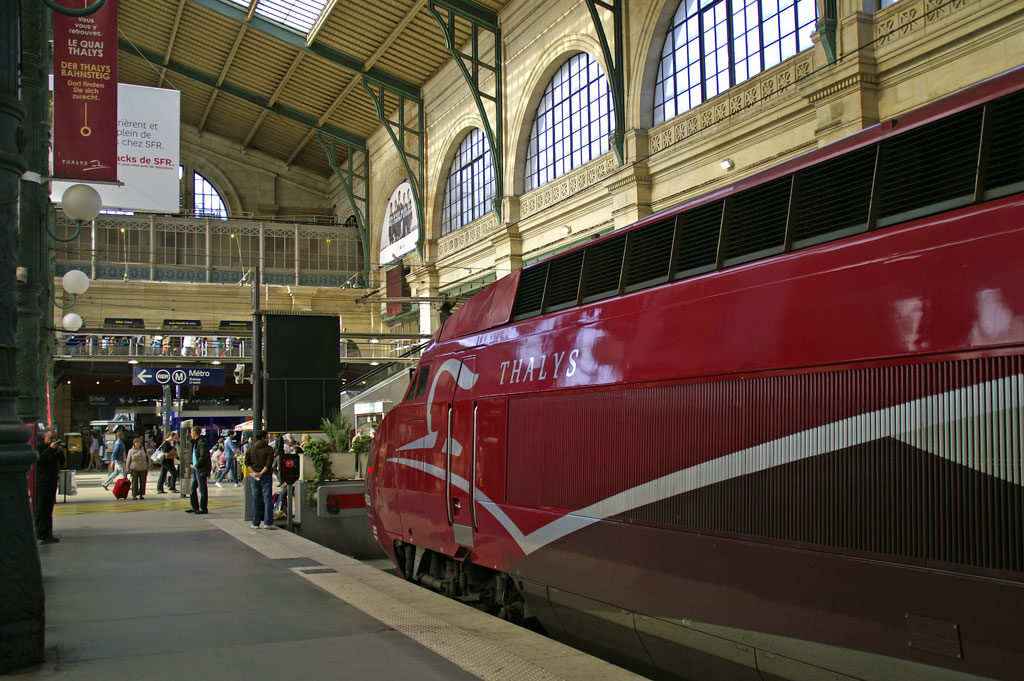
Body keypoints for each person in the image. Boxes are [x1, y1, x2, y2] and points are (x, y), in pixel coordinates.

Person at [35, 429, 65, 544]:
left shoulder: (54, 449)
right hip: (41, 481)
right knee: (40, 508)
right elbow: (39, 461)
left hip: (51, 481)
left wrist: (60, 453)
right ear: (45, 438)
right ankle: (39, 534)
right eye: (51, 438)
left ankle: (48, 534)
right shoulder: (40, 447)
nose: (53, 440)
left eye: (55, 438)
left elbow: (62, 462)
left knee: (48, 509)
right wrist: (50, 449)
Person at [244, 429, 275, 529]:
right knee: (267, 498)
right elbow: (269, 464)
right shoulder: (269, 449)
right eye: (267, 436)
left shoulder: (251, 449)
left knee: (256, 499)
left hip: (254, 476)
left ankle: (255, 522)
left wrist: (254, 473)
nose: (268, 438)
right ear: (263, 438)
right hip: (265, 475)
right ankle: (268, 522)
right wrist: (261, 473)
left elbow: (247, 463)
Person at [185, 426, 211, 514]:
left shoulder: (201, 443)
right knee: (192, 488)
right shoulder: (195, 443)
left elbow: (203, 456)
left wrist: (197, 465)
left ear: (195, 433)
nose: (190, 434)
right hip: (195, 468)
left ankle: (203, 508)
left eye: (191, 432)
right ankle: (194, 506)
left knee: (202, 488)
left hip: (200, 469)